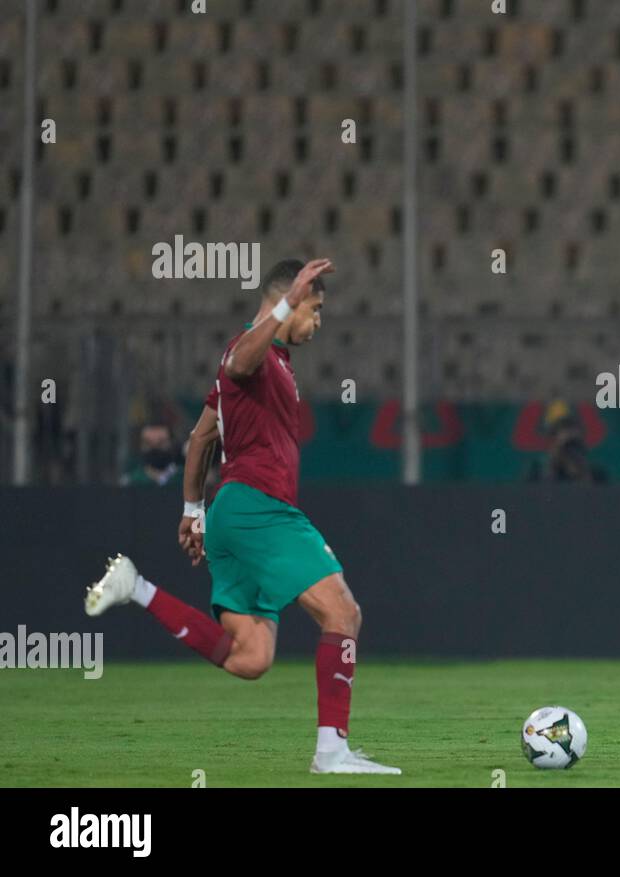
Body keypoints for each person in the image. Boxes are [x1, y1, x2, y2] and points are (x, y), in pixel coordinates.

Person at [85, 258, 400, 775]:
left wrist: (193, 510)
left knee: (249, 658)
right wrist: (285, 303)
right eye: (315, 309)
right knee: (343, 613)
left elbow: (202, 437)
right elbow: (236, 362)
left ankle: (136, 588)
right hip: (261, 507)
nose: (317, 323)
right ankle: (332, 753)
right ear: (291, 298)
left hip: (231, 512)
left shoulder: (266, 365)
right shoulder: (249, 351)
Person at [120, 422, 182, 486]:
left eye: (160, 443)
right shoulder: (130, 482)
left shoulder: (184, 478)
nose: (155, 448)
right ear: (141, 445)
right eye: (148, 443)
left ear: (171, 443)